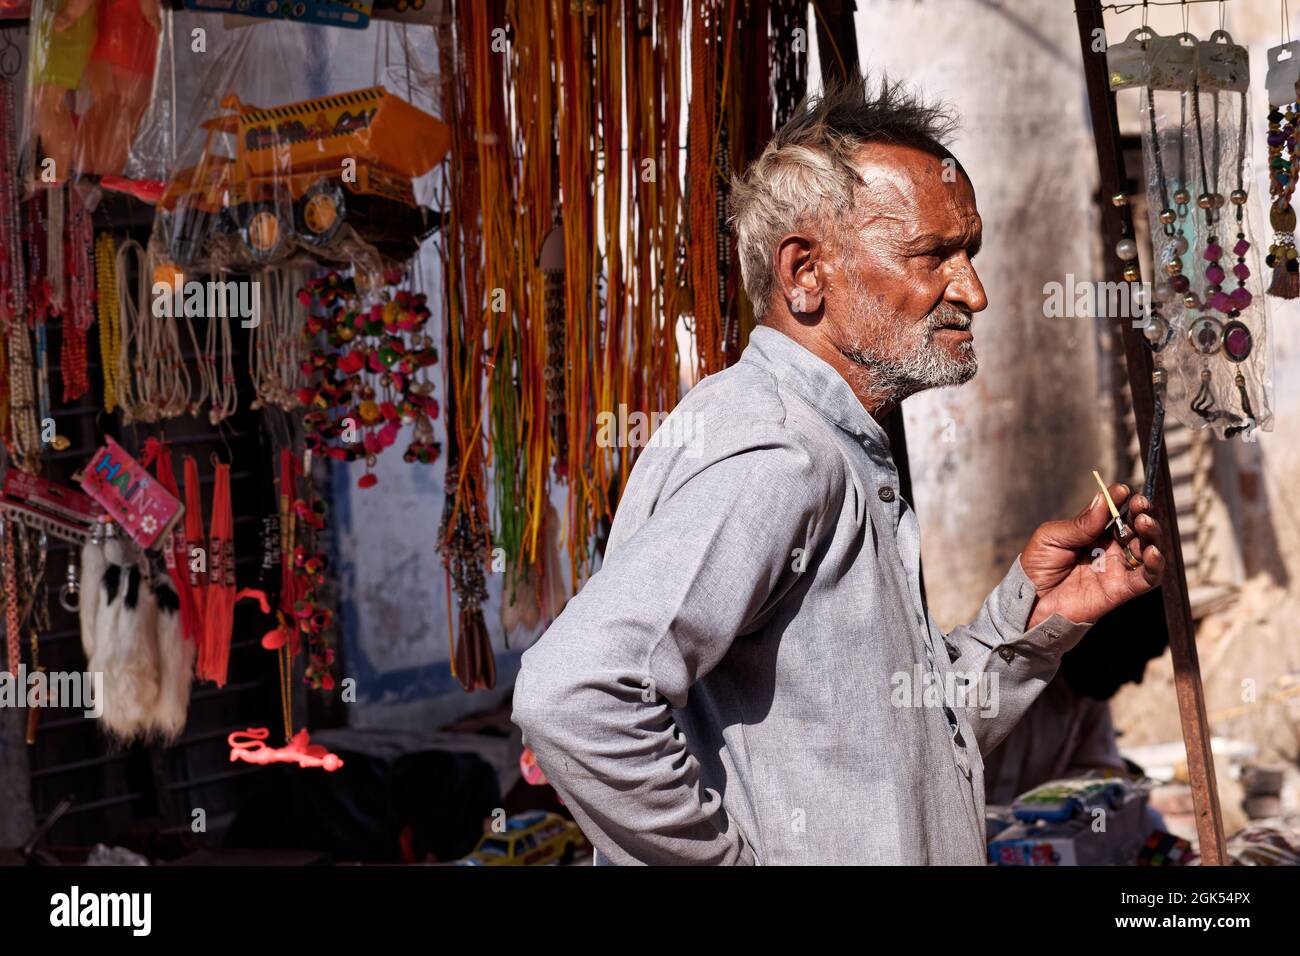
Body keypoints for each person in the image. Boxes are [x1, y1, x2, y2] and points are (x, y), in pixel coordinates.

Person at [511, 73, 1165, 865]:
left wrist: (1037, 620)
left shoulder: (834, 447)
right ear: (806, 273)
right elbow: (574, 696)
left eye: (971, 252)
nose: (975, 291)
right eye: (935, 255)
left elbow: (907, 745)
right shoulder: (781, 454)